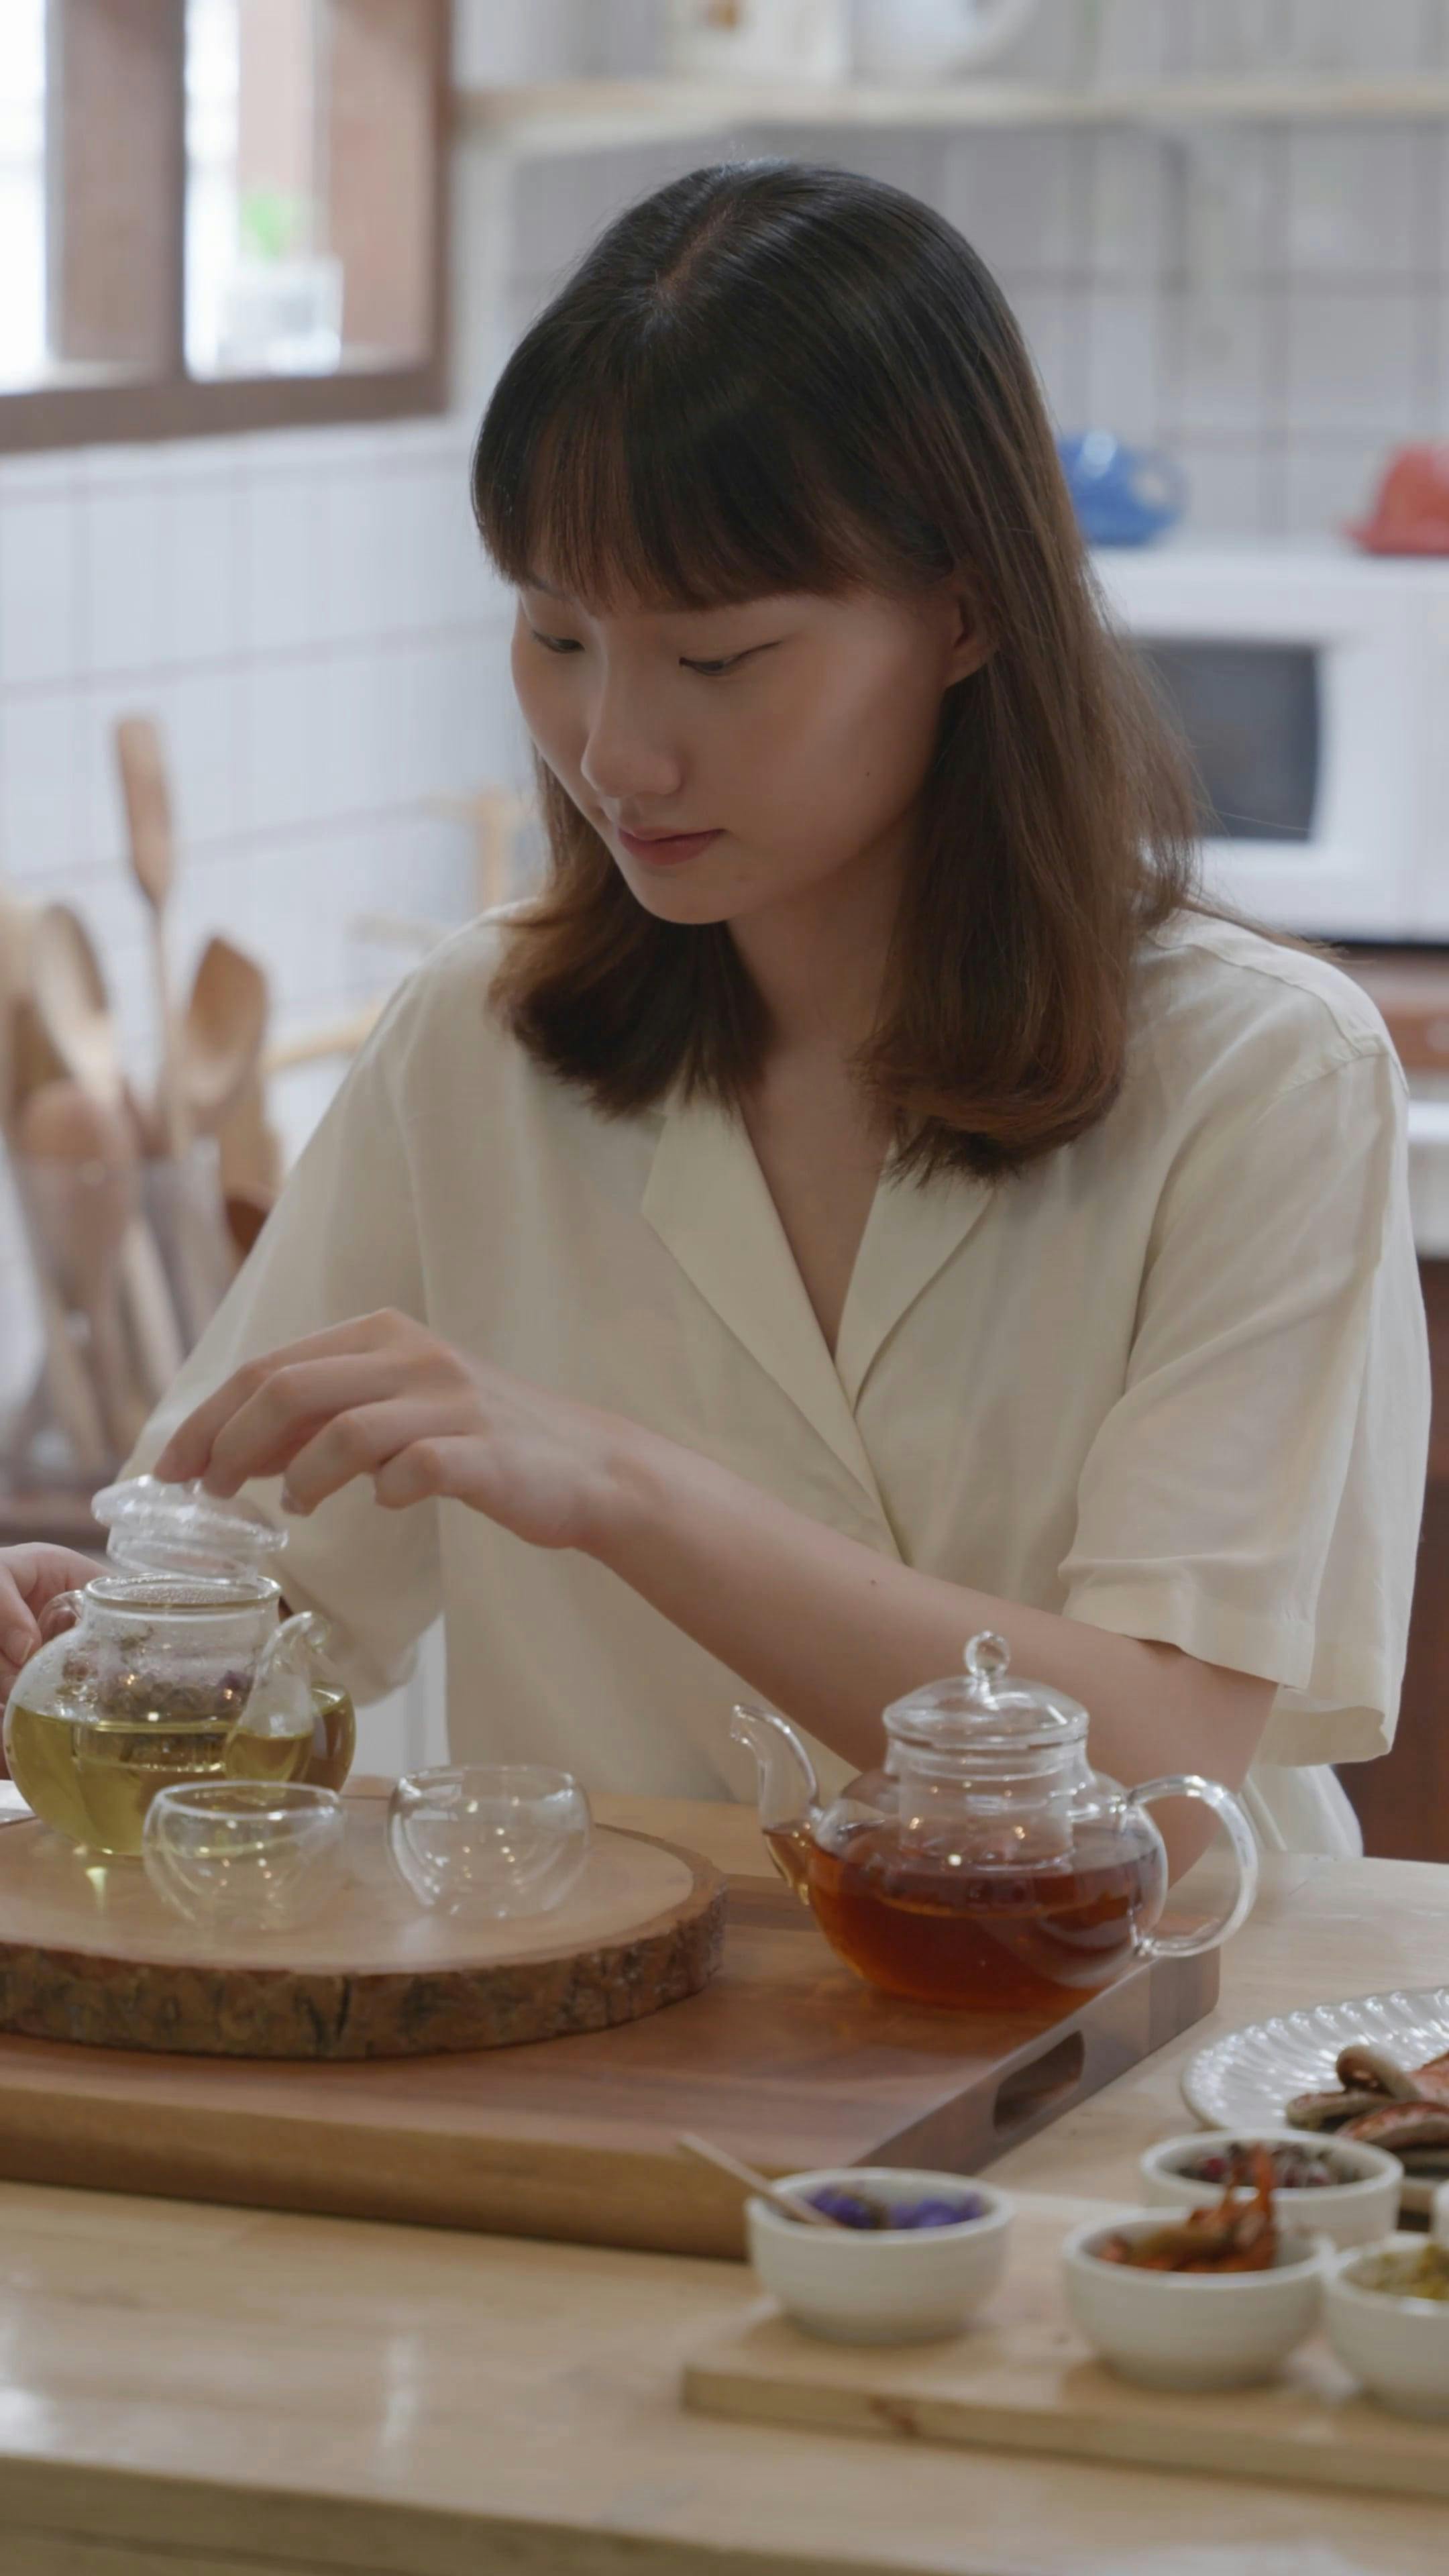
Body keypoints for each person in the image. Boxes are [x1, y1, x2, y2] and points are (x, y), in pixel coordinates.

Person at [0, 161, 1429, 1865]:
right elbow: (278, 1616)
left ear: (965, 611)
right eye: (556, 635)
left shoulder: (1264, 1072)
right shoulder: (476, 1041)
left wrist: (616, 1485)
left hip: (1139, 2050)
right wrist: (96, 1630)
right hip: (636, 2051)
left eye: (720, 659)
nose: (615, 752)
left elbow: (1161, 1766)